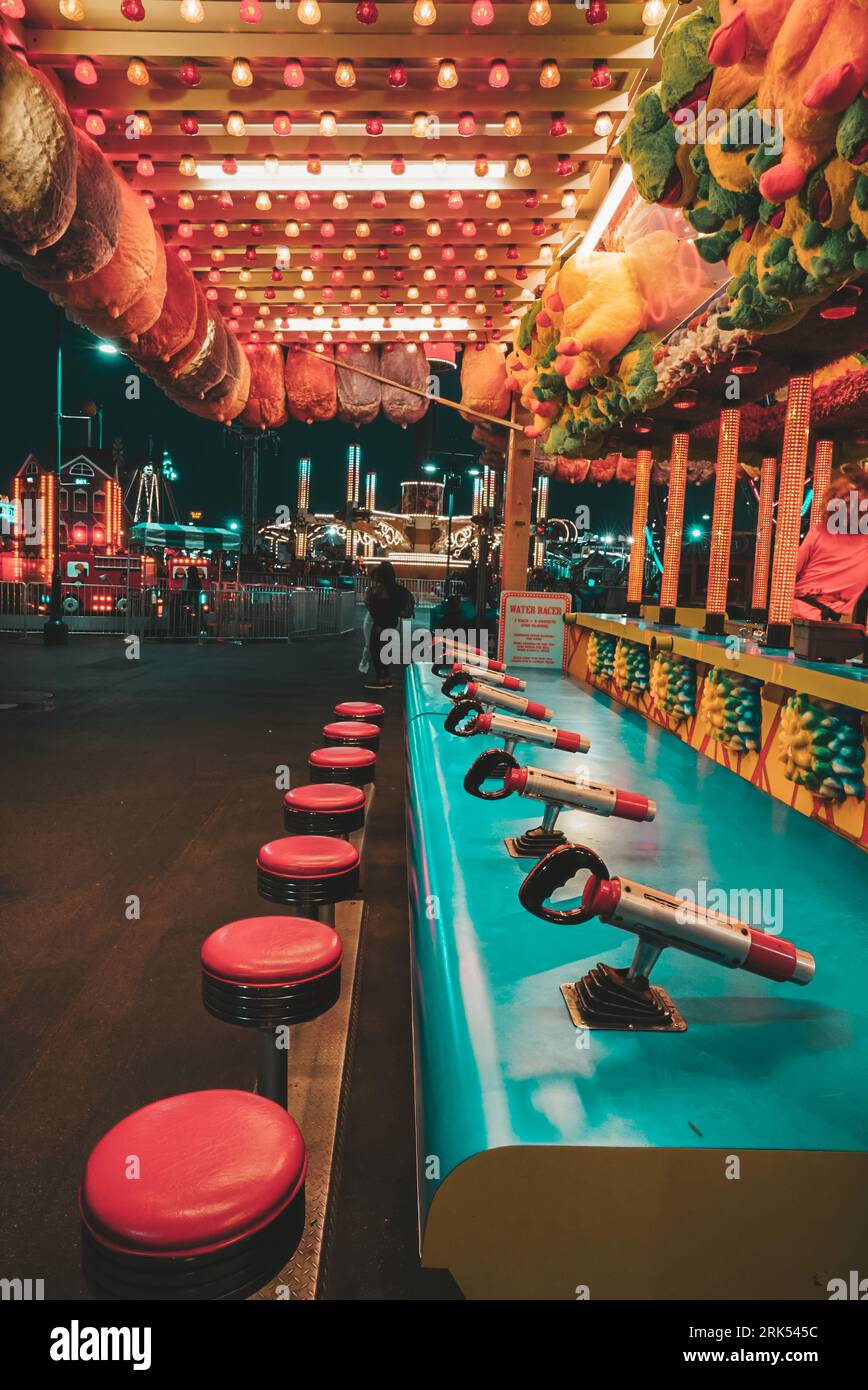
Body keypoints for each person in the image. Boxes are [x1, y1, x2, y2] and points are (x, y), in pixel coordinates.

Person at [793, 466, 868, 623]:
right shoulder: (819, 531)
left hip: (818, 618)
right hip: (804, 614)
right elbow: (791, 574)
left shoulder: (820, 531)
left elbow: (792, 572)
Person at [365, 561, 415, 689]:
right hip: (392, 622)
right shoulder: (399, 590)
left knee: (376, 649)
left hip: (381, 623)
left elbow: (375, 608)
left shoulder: (380, 591)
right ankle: (385, 676)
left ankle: (382, 678)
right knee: (385, 649)